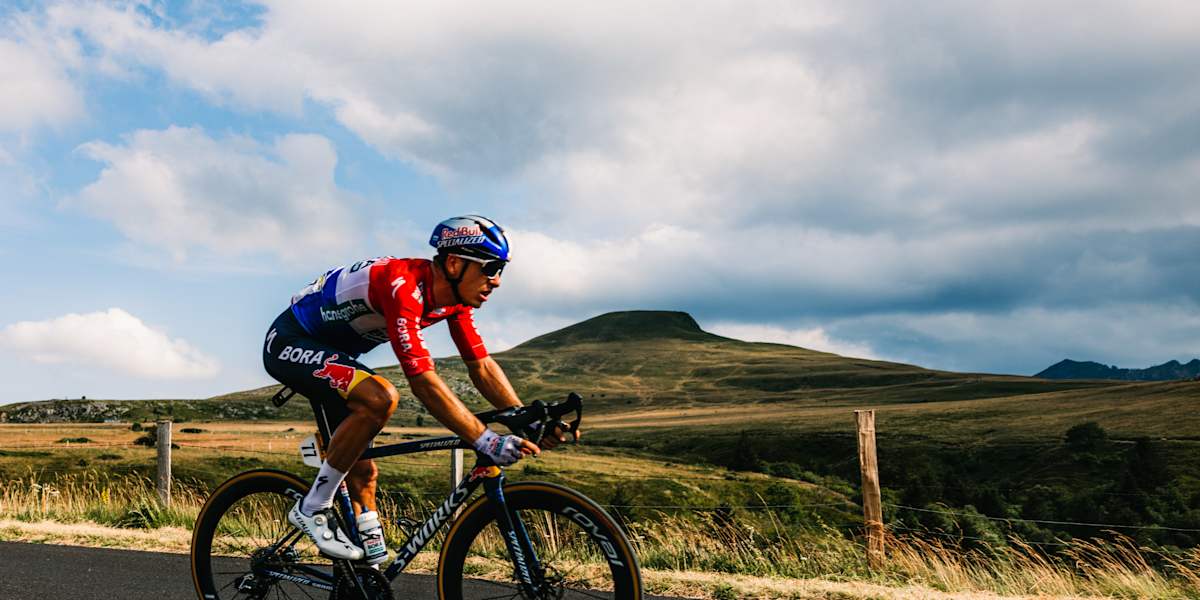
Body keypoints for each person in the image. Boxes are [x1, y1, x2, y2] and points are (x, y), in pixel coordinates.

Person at [261, 215, 569, 560]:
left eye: (501, 270)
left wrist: (525, 418)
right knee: (380, 398)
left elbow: (480, 366)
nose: (496, 281)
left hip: (334, 355)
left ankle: (367, 571)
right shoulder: (403, 286)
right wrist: (485, 439)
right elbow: (422, 381)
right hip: (291, 341)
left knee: (363, 471)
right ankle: (312, 507)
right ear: (454, 263)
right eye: (490, 267)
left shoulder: (454, 301)